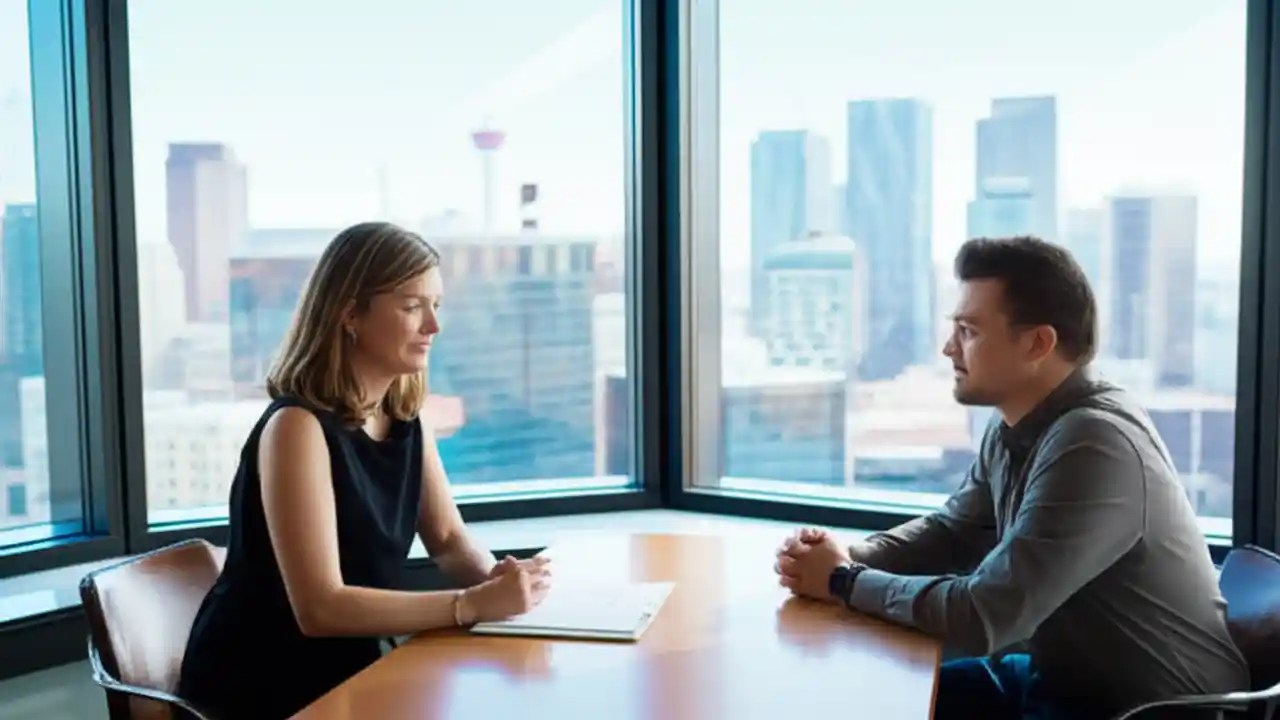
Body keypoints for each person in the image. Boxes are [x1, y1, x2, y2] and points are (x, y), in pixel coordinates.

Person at [773, 237, 1248, 719]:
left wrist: (842, 580)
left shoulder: (1095, 443)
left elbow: (983, 615)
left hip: (1143, 711)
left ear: (1038, 343)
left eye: (968, 331)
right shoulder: (1012, 427)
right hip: (1058, 682)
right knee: (869, 693)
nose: (948, 348)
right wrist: (843, 557)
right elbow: (954, 531)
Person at [177, 222, 551, 719]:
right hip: (262, 688)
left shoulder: (405, 416)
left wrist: (509, 585)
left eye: (436, 305)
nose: (433, 327)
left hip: (349, 672)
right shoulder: (297, 427)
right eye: (411, 306)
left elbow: (448, 540)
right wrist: (470, 604)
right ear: (350, 313)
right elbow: (320, 608)